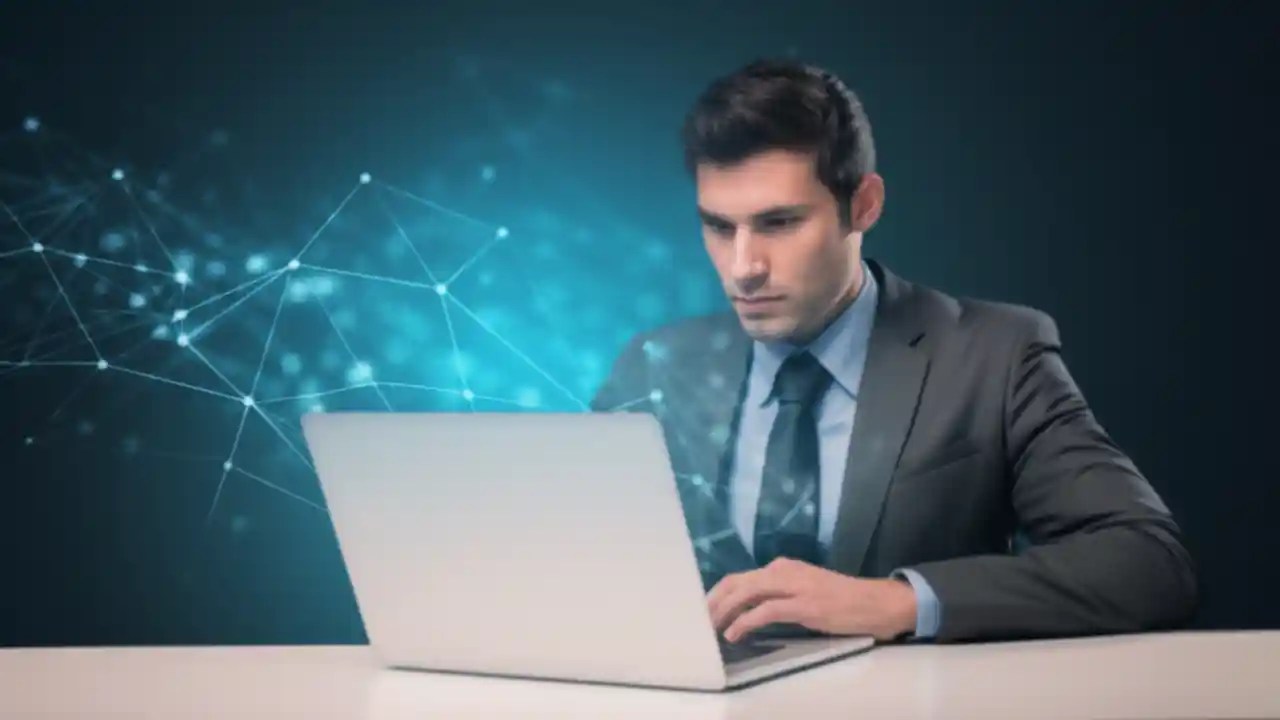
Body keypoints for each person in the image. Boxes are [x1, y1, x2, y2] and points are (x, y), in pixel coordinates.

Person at [589, 59, 1198, 644]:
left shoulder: (996, 355)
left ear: (865, 204)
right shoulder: (653, 363)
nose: (743, 268)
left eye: (779, 224)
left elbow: (1148, 561)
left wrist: (897, 602)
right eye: (720, 228)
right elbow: (567, 556)